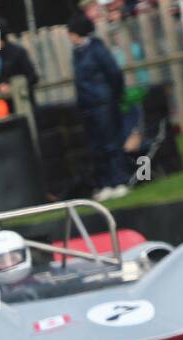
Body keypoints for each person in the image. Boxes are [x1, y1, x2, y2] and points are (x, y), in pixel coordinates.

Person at [68, 8, 129, 201]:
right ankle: (105, 183)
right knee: (97, 147)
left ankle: (119, 180)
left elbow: (114, 73)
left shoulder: (97, 49)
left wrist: (114, 96)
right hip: (88, 105)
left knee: (111, 143)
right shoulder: (77, 53)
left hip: (103, 102)